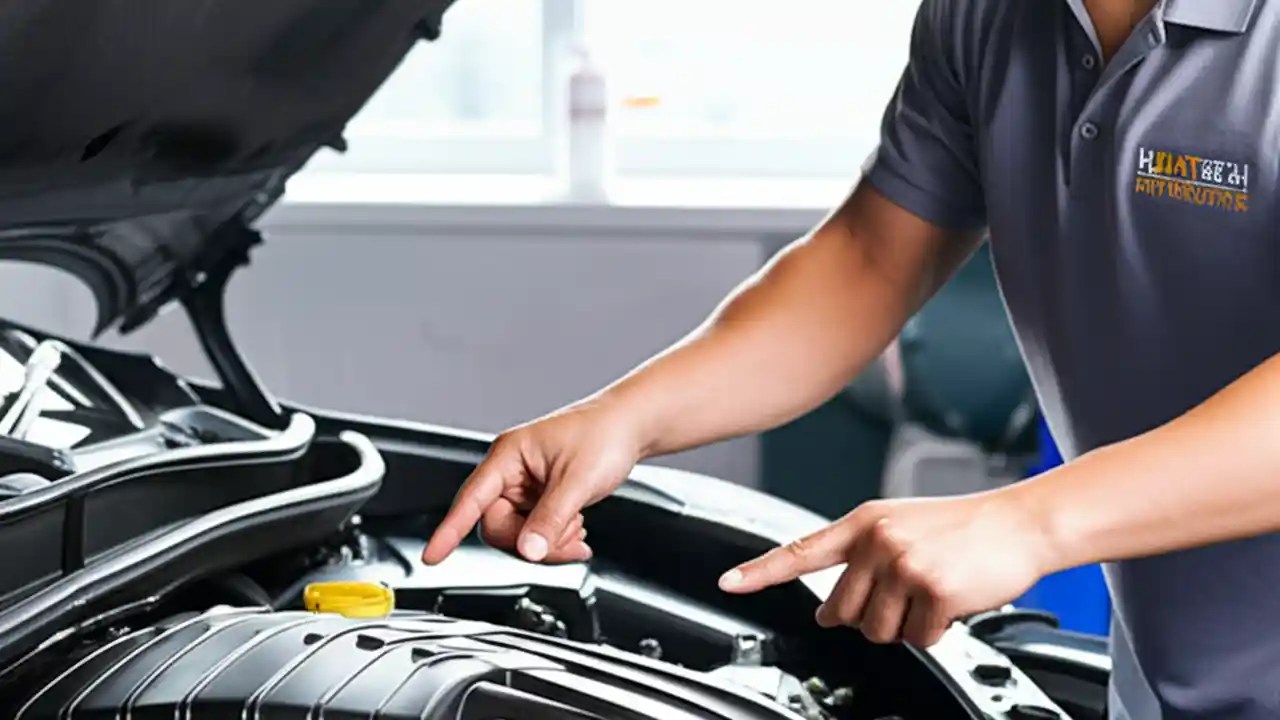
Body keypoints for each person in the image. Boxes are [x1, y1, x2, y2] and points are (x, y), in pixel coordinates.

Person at [424, 1, 1280, 717]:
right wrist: (621, 419)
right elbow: (870, 260)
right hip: (1170, 681)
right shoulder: (989, 15)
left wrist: (1026, 520)